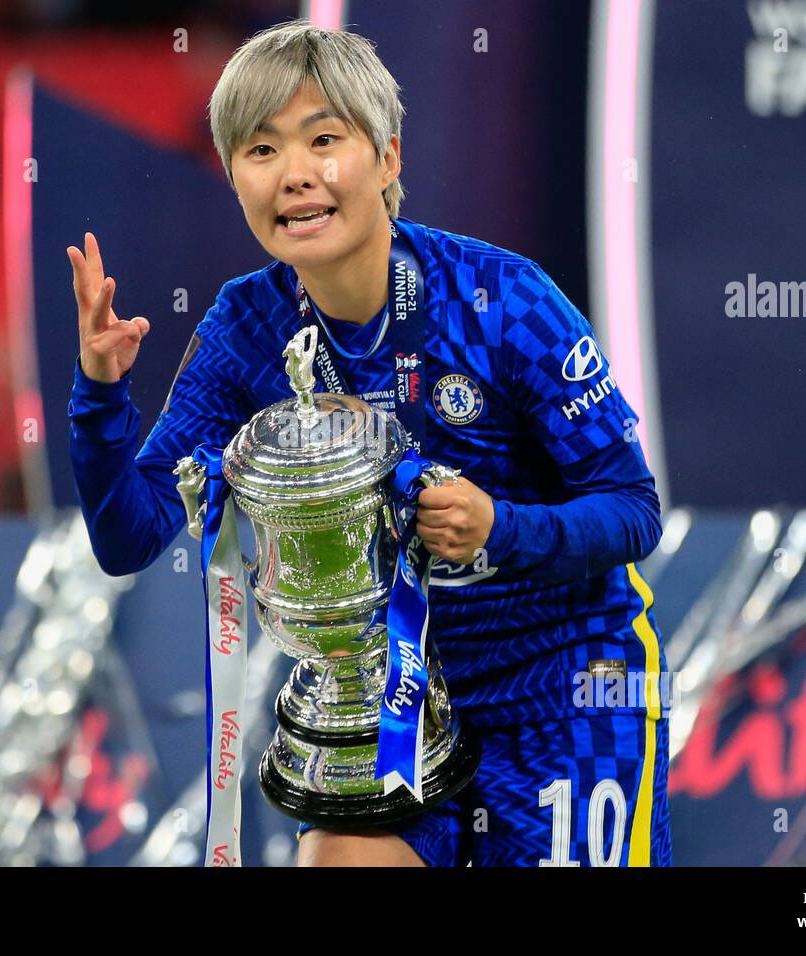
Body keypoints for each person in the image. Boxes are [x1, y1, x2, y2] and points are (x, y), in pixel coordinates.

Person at [67, 20, 670, 867]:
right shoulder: (244, 328)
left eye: (324, 139)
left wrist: (502, 525)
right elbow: (130, 534)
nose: (297, 174)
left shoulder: (506, 299)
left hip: (564, 684)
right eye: (261, 150)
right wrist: (100, 394)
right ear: (236, 177)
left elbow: (635, 511)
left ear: (387, 158)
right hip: (389, 701)